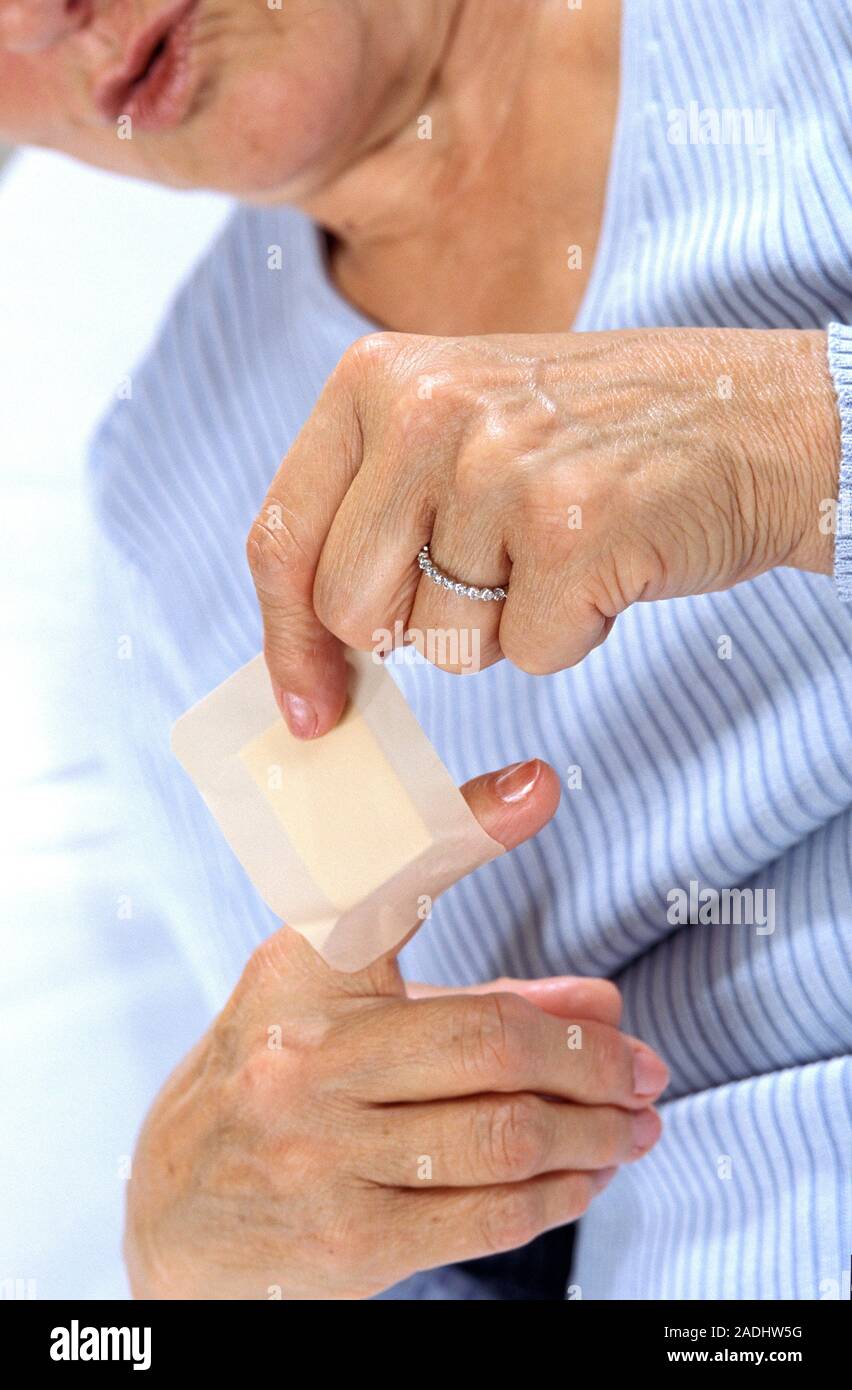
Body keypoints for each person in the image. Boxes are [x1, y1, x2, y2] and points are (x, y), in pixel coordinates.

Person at [2, 0, 850, 1299]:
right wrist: (213, 1264)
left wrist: (794, 445)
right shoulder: (166, 500)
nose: (32, 18)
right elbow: (431, 1233)